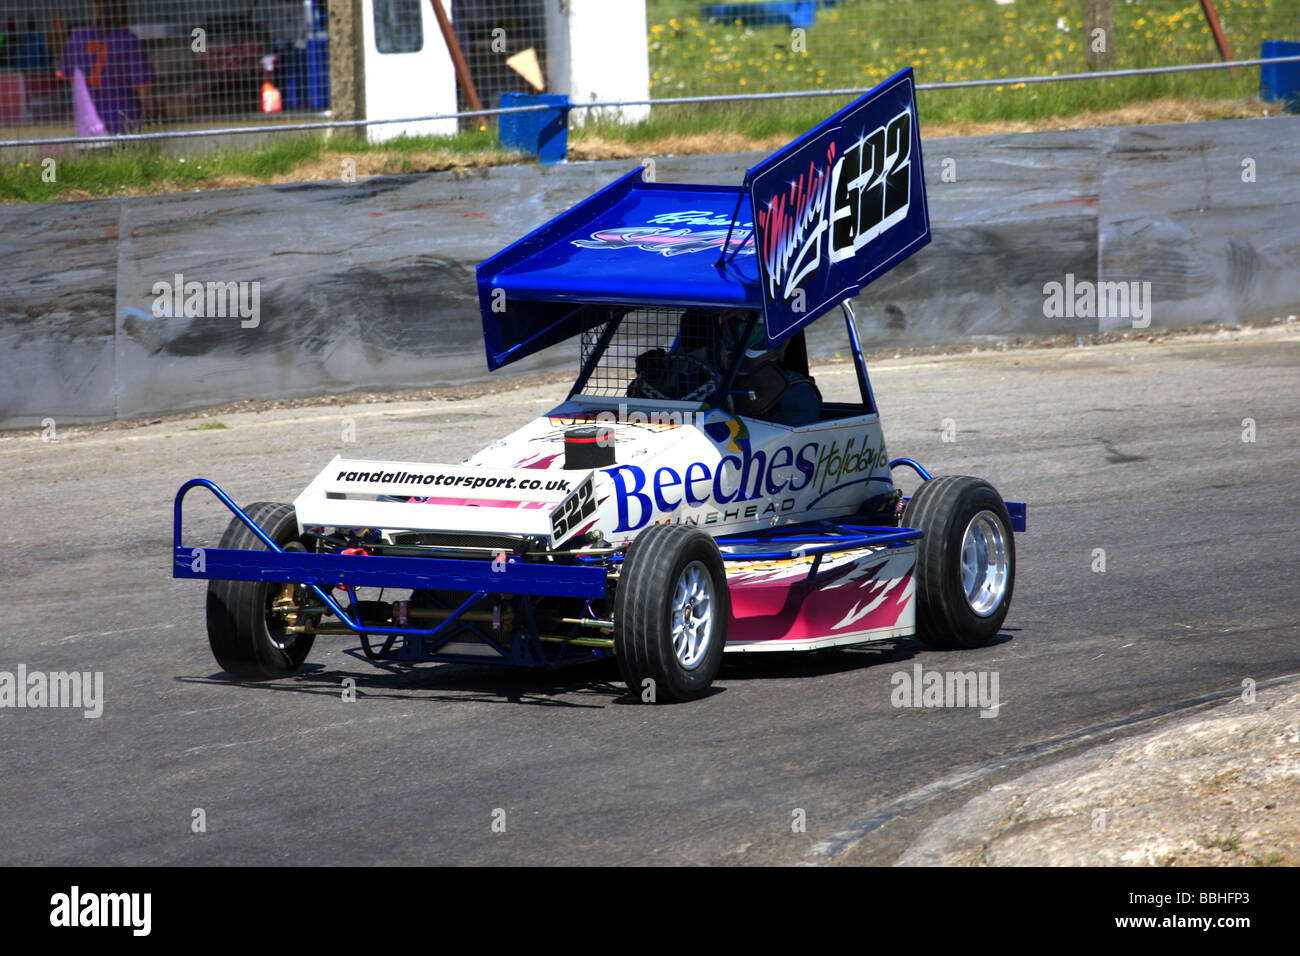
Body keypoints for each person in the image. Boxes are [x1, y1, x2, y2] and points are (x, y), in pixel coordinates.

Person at [57, 1, 155, 135]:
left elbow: (67, 78)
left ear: (96, 7)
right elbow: (143, 89)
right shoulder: (128, 40)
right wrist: (153, 113)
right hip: (124, 122)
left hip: (88, 125)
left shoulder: (77, 38)